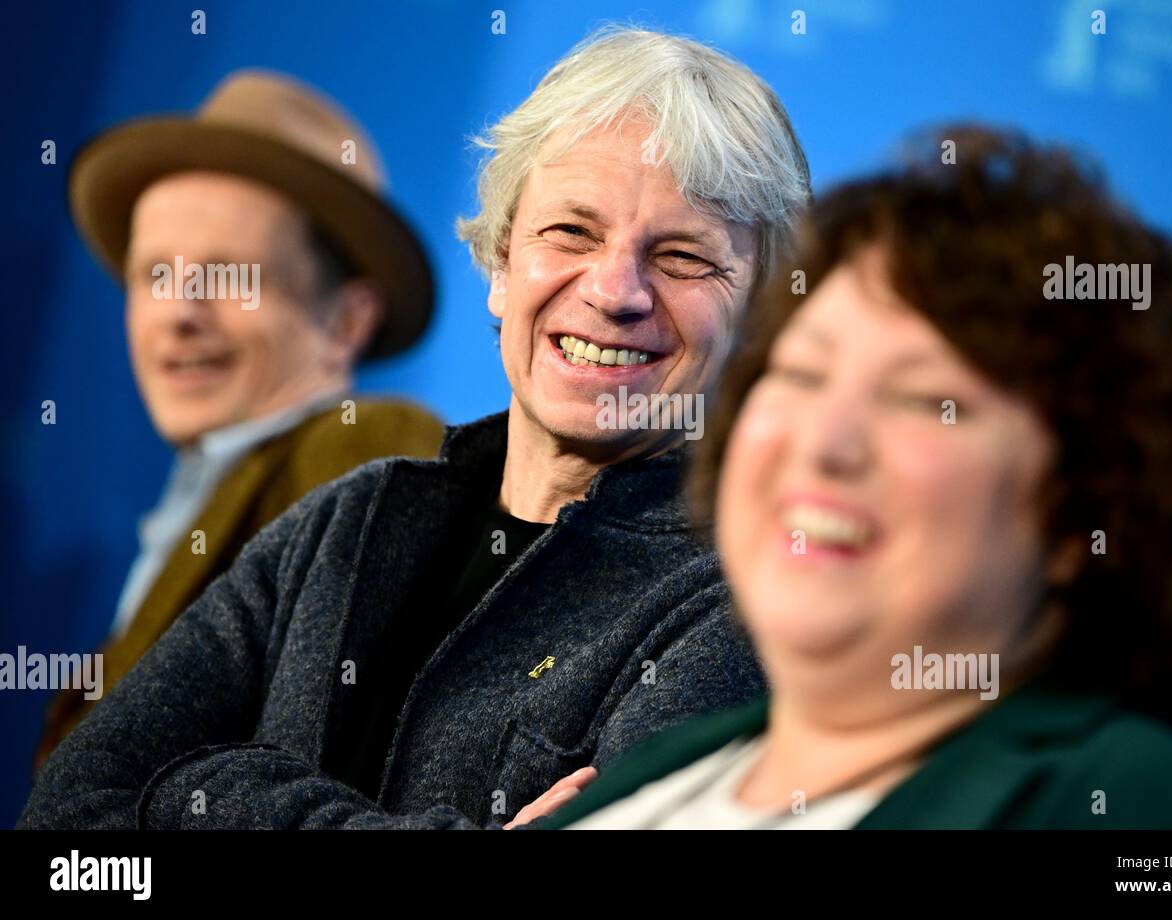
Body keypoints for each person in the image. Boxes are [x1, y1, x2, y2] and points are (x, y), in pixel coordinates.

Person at [18, 26, 811, 830]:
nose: (615, 290)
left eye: (682, 257)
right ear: (502, 267)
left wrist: (213, 788)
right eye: (572, 231)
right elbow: (68, 816)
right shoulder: (344, 519)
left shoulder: (748, 607)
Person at [535, 126, 1172, 830]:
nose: (824, 442)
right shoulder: (659, 772)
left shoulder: (1149, 813)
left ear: (1081, 515)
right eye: (800, 375)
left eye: (925, 400)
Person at [34, 70, 446, 769]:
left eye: (227, 277)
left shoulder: (364, 443)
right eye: (155, 276)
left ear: (347, 319)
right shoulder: (205, 491)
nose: (180, 314)